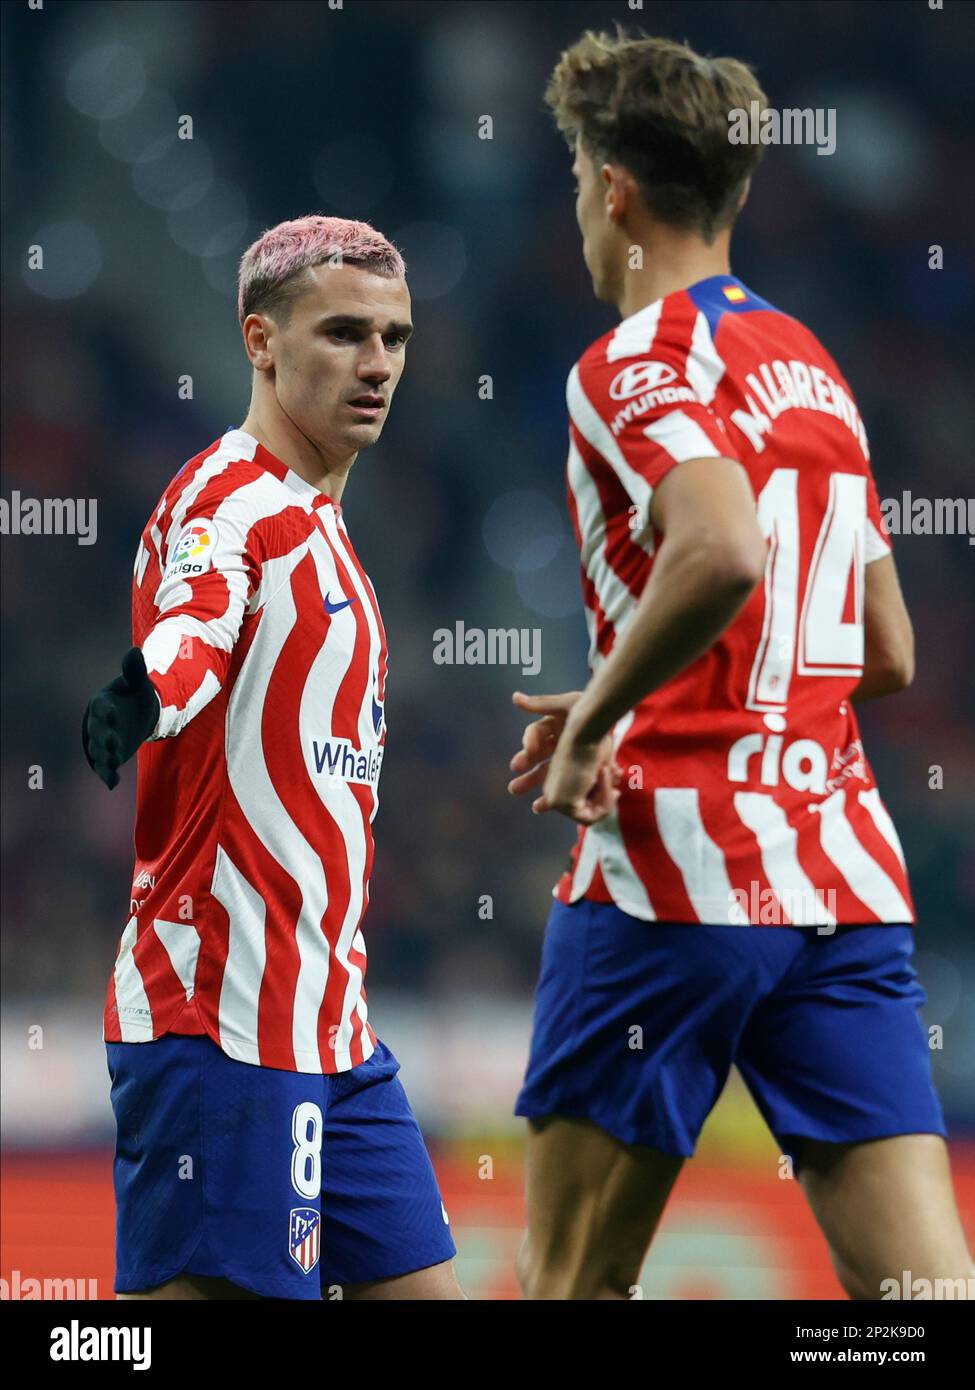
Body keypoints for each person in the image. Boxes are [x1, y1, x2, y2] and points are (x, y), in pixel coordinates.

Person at [508, 30, 973, 1301]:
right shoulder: (813, 367)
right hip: (839, 879)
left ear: (612, 188)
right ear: (741, 190)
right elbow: (883, 649)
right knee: (923, 1298)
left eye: (572, 182)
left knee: (570, 1285)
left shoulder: (632, 361)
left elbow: (718, 548)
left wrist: (603, 714)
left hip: (673, 882)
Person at [82, 215, 463, 1301]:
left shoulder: (331, 528)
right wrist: (145, 693)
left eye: (393, 337)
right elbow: (193, 626)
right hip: (222, 1019)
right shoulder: (230, 497)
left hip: (333, 1030)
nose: (377, 363)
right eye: (344, 333)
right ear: (260, 340)